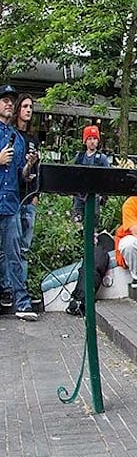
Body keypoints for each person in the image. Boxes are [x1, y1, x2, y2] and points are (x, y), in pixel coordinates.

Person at [0, 86, 31, 320]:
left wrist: (29, 167)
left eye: (11, 101)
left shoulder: (18, 139)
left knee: (15, 254)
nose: (9, 104)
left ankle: (22, 303)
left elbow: (21, 174)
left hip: (11, 204)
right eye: (4, 100)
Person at [14, 95, 38, 298]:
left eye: (31, 107)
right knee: (10, 248)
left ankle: (22, 288)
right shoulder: (10, 135)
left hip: (29, 197)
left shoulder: (33, 138)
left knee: (24, 248)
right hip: (13, 196)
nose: (28, 110)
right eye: (25, 106)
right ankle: (11, 291)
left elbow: (36, 168)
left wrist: (36, 193)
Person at [72, 124, 110, 223]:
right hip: (79, 194)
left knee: (92, 222)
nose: (92, 141)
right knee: (77, 220)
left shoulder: (102, 158)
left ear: (98, 141)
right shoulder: (79, 157)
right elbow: (73, 174)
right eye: (89, 139)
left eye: (94, 138)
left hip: (95, 195)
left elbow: (108, 177)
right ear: (85, 141)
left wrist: (103, 196)